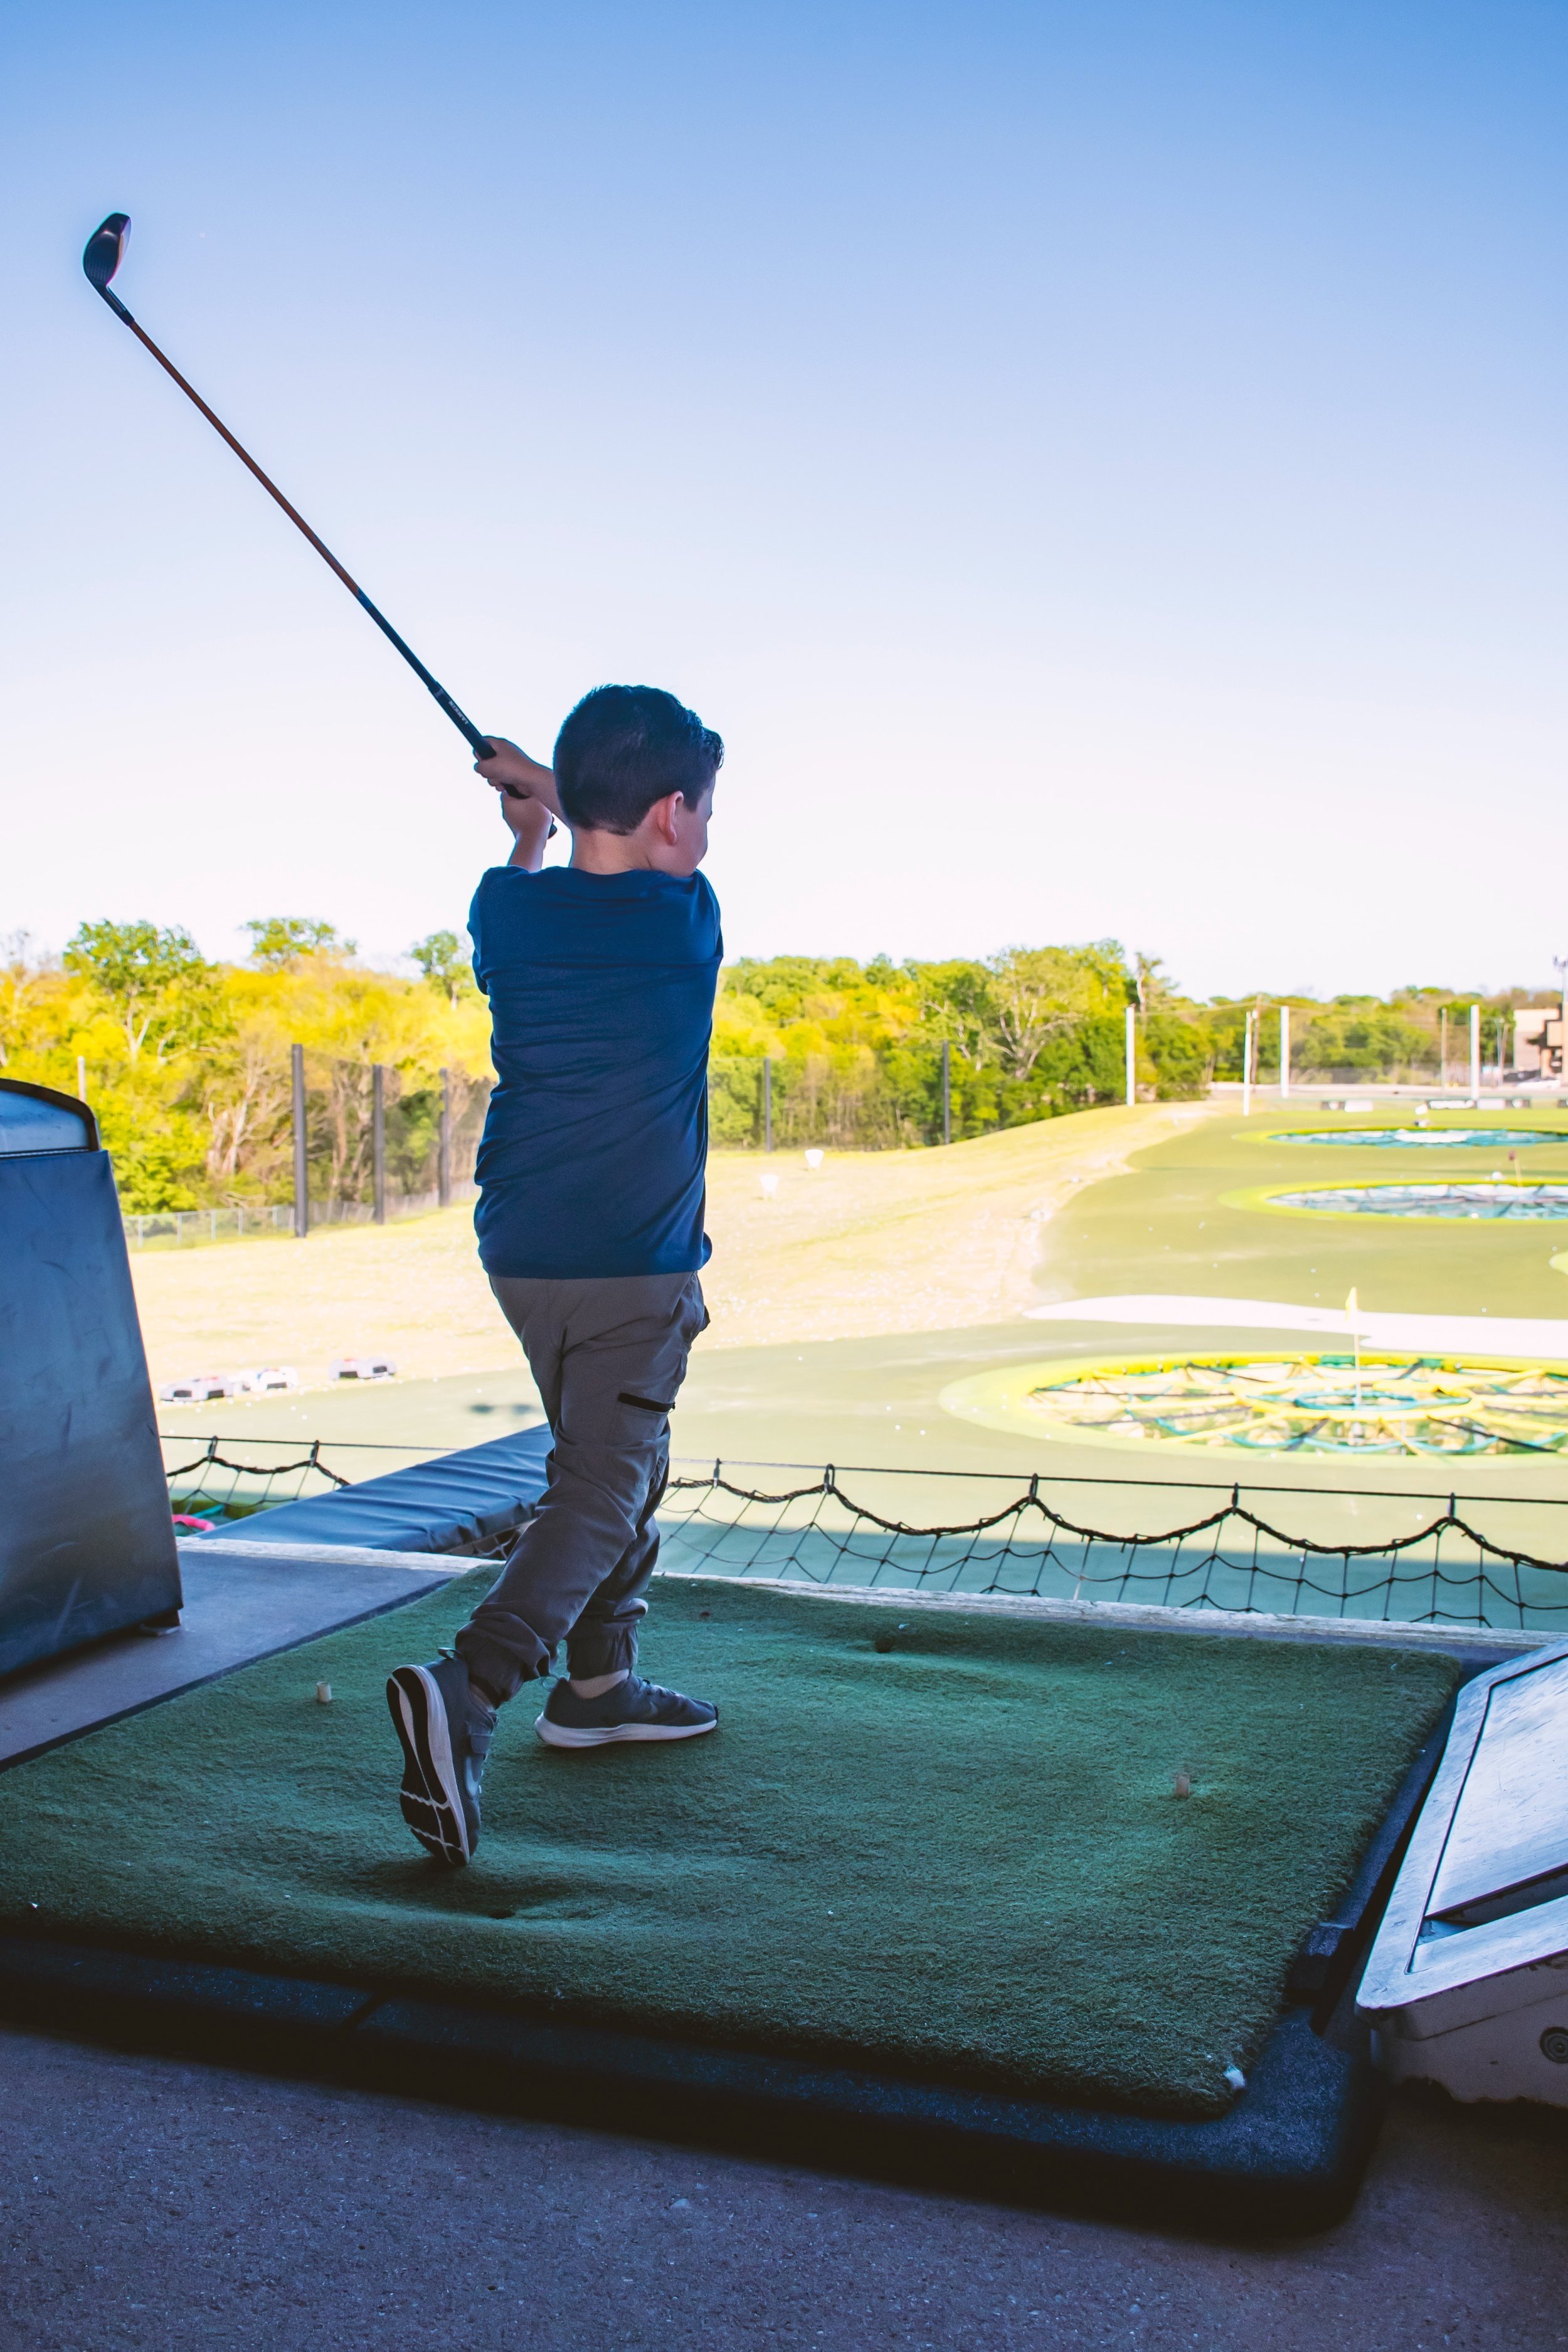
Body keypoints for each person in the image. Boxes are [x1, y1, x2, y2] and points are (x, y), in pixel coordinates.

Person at [386, 684, 724, 1867]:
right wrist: (545, 796)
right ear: (674, 814)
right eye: (704, 810)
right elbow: (639, 857)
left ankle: (598, 1686)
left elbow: (551, 869)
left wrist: (535, 825)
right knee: (604, 1481)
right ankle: (471, 1688)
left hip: (525, 1251)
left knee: (615, 1459)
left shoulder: (508, 908)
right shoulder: (686, 923)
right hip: (632, 1262)